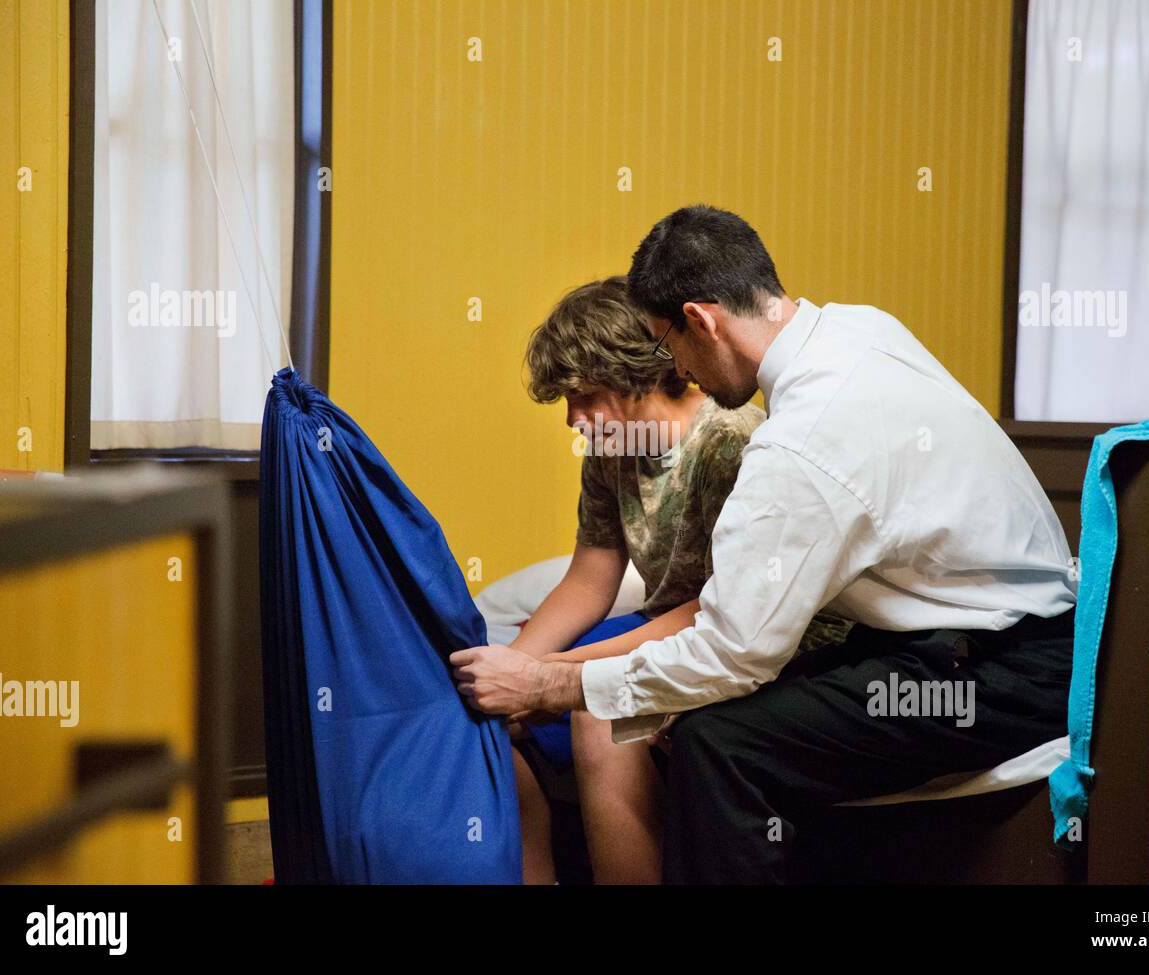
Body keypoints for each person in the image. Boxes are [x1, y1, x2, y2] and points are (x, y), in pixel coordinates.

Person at [451, 205, 1078, 884]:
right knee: (706, 721)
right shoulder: (858, 328)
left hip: (1004, 668)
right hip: (966, 635)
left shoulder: (794, 443)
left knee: (720, 744)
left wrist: (554, 682)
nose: (676, 367)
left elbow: (730, 652)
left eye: (669, 343)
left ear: (702, 320)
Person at [503, 275, 772, 884]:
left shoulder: (731, 443)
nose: (574, 419)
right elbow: (589, 580)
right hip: (670, 622)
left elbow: (721, 610)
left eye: (585, 396)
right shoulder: (611, 450)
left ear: (640, 374)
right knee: (496, 722)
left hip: (733, 633)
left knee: (599, 708)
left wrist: (556, 675)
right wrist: (512, 668)